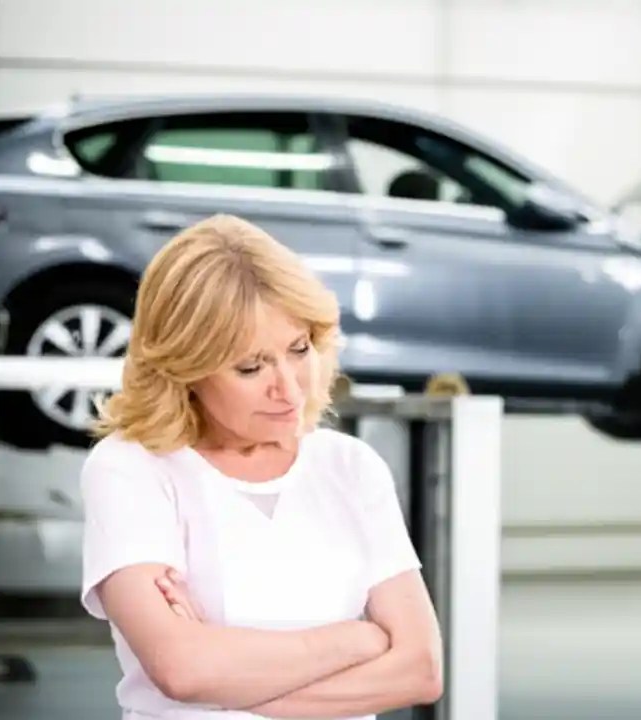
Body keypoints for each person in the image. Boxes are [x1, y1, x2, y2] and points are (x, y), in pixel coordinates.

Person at [79, 214, 444, 719]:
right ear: (185, 370)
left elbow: (420, 669)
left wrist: (232, 681)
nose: (289, 388)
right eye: (250, 367)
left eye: (299, 350)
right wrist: (358, 639)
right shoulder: (132, 468)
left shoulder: (351, 466)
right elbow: (182, 670)